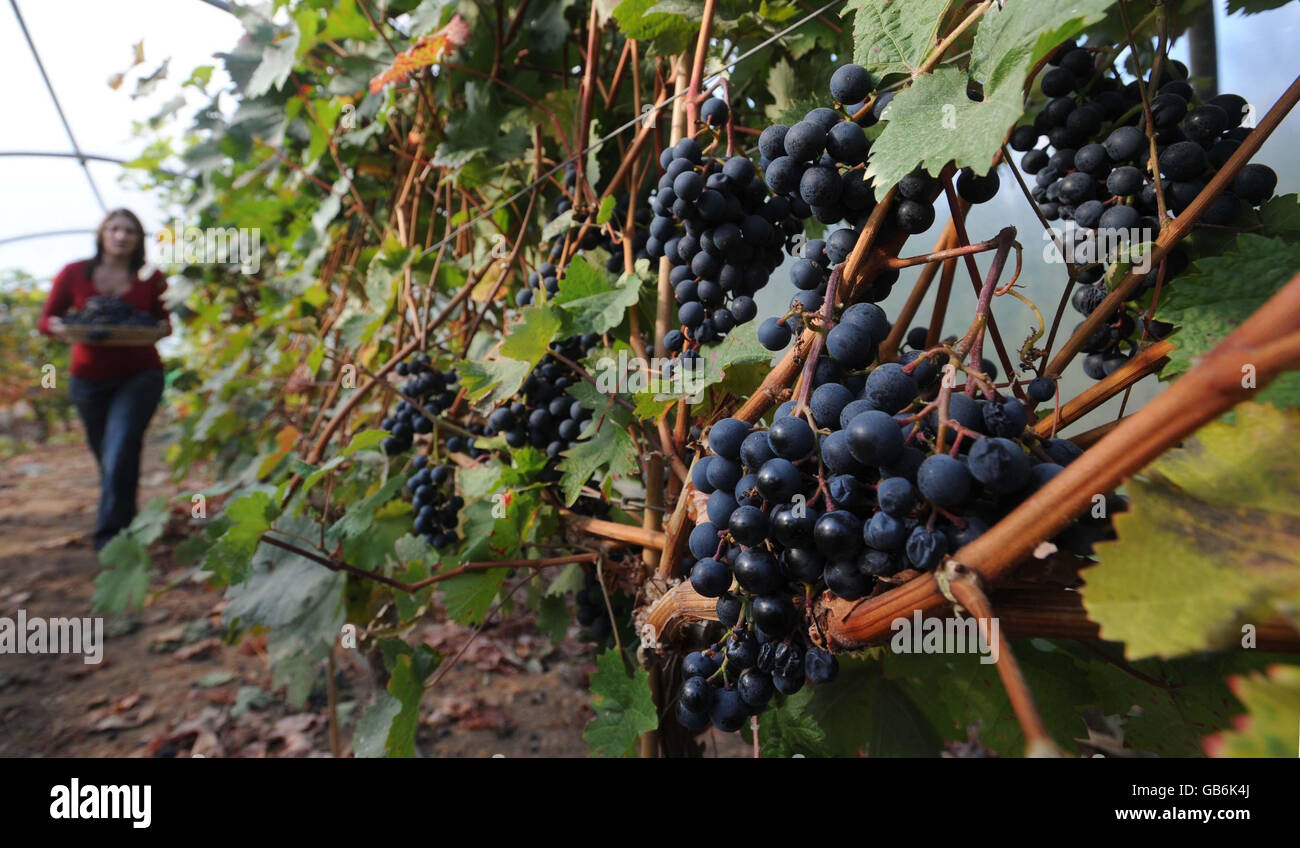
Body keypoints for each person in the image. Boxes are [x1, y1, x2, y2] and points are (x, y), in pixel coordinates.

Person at [39, 209, 171, 552]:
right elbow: (47, 319)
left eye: (129, 231)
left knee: (121, 445)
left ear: (138, 239)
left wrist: (158, 329)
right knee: (110, 458)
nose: (121, 236)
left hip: (140, 376)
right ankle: (127, 524)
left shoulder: (151, 277)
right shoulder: (74, 273)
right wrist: (58, 327)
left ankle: (109, 540)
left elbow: (164, 322)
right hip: (88, 380)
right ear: (102, 234)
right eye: (114, 229)